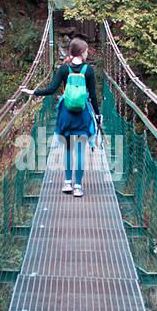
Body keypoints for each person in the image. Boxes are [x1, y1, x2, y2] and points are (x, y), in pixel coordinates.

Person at [20, 37, 101, 197]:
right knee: (79, 150)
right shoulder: (88, 70)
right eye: (85, 51)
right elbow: (93, 96)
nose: (86, 53)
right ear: (81, 52)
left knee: (68, 149)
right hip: (82, 115)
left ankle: (67, 183)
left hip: (66, 115)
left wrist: (33, 92)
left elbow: (51, 90)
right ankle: (78, 186)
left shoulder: (64, 69)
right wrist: (97, 115)